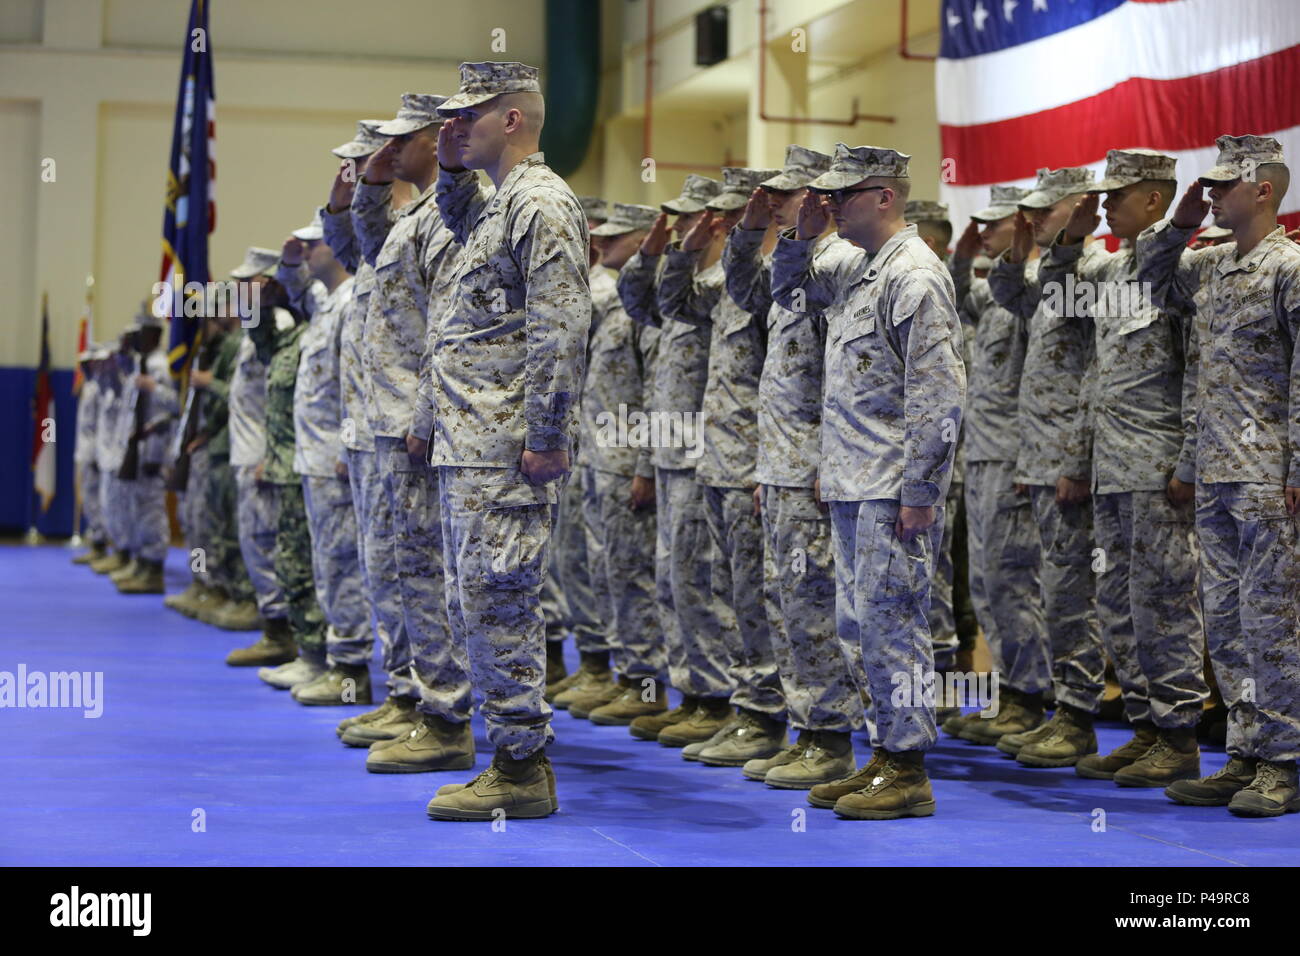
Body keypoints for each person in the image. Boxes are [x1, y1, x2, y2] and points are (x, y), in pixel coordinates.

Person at [772, 143, 966, 820]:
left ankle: (908, 769)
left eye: (843, 194)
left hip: (891, 488)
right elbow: (788, 288)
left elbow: (938, 400)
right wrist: (801, 229)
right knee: (858, 628)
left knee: (893, 630)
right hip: (855, 482)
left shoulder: (913, 276)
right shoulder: (858, 269)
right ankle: (883, 754)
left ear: (885, 197)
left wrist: (920, 492)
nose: (829, 204)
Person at [424, 60, 591, 819]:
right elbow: (452, 215)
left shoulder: (541, 204)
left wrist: (547, 434)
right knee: (476, 605)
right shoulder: (497, 205)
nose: (453, 127)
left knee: (501, 604)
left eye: (470, 116)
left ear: (513, 119)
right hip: (472, 447)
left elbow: (561, 328)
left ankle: (522, 770)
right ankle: (510, 758)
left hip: (506, 450)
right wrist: (451, 159)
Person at [1137, 134, 1300, 818]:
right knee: (1228, 622)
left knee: (1273, 621)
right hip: (1215, 472)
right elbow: (1149, 276)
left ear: (1263, 190)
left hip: (1268, 475)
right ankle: (1244, 752)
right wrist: (1177, 221)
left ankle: (1285, 763)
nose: (1209, 196)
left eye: (1221, 186)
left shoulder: (1288, 268)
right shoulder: (1210, 268)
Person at [1037, 149, 1207, 785]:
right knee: (1119, 604)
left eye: (1117, 195)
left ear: (1154, 202)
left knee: (1163, 604)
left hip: (1154, 466)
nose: (1105, 204)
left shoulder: (1171, 267)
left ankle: (1180, 734)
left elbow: (1195, 374)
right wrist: (1072, 232)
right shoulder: (1110, 273)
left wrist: (1187, 461)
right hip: (1109, 466)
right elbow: (1058, 293)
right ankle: (1145, 725)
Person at [722, 145, 868, 787]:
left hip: (814, 466)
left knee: (813, 601)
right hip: (779, 465)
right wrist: (755, 229)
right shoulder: (798, 263)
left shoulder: (839, 263)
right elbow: (748, 289)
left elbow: (845, 375)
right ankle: (805, 725)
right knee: (785, 600)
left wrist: (819, 460)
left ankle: (830, 737)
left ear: (821, 200)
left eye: (790, 195)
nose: (779, 203)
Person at [979, 166, 1134, 765]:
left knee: (1076, 593)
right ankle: (1063, 711)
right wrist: (1022, 244)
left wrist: (1073, 458)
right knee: (1054, 590)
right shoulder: (1051, 274)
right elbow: (1010, 296)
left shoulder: (1092, 273)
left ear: (1082, 208)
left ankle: (1077, 715)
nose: (1035, 217)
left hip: (1078, 462)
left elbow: (1098, 372)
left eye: (1048, 209)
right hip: (1041, 459)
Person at [354, 93, 476, 774]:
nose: (391, 147)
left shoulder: (454, 218)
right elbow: (362, 243)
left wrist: (426, 416)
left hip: (419, 428)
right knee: (405, 571)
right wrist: (372, 179)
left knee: (431, 575)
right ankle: (416, 699)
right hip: (392, 421)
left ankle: (446, 716)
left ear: (437, 140)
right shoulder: (410, 217)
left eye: (405, 139)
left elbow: (449, 330)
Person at [657, 165, 789, 768]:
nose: (729, 224)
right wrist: (683, 248)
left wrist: (768, 464)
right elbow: (667, 301)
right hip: (717, 460)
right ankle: (743, 707)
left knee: (760, 597)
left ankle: (765, 715)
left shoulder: (776, 286)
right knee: (726, 592)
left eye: (741, 214)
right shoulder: (732, 287)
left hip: (753, 467)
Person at [614, 174, 739, 747]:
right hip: (670, 451)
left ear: (718, 223)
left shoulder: (722, 289)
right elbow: (637, 297)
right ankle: (691, 689)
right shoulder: (682, 290)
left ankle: (713, 697)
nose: (681, 228)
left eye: (692, 219)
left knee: (696, 580)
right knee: (671, 578)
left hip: (703, 453)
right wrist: (658, 245)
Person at [944, 187, 1049, 742]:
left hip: (1015, 457)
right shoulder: (996, 298)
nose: (984, 230)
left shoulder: (1036, 293)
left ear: (1024, 225)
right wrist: (962, 251)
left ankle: (1029, 697)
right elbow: (959, 293)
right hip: (981, 452)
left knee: (1014, 581)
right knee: (984, 583)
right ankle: (1008, 689)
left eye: (994, 223)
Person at [574, 201, 667, 725]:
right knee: (608, 571)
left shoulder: (633, 305)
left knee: (636, 577)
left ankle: (647, 685)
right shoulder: (612, 299)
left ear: (641, 240)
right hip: (599, 455)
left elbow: (656, 389)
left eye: (613, 237)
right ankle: (624, 675)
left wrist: (645, 465)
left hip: (627, 459)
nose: (600, 244)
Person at [223, 247, 297, 667]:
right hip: (246, 453)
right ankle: (274, 627)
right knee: (255, 544)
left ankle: (280, 632)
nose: (237, 292)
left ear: (268, 285)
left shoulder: (281, 325)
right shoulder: (253, 330)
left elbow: (282, 398)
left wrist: (272, 453)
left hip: (264, 458)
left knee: (268, 545)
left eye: (245, 284)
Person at [113, 301, 178, 595]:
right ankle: (141, 560)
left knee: (152, 509)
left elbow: (174, 405)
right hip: (137, 447)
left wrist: (153, 387)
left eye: (141, 333)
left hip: (154, 447)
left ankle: (154, 566)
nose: (137, 339)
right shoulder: (142, 365)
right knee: (137, 506)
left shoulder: (160, 366)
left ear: (153, 334)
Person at [72, 348, 107, 565]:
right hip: (85, 450)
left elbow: (99, 425)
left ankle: (101, 543)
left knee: (96, 500)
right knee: (89, 499)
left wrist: (95, 454)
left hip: (95, 452)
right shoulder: (88, 387)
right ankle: (95, 541)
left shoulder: (99, 388)